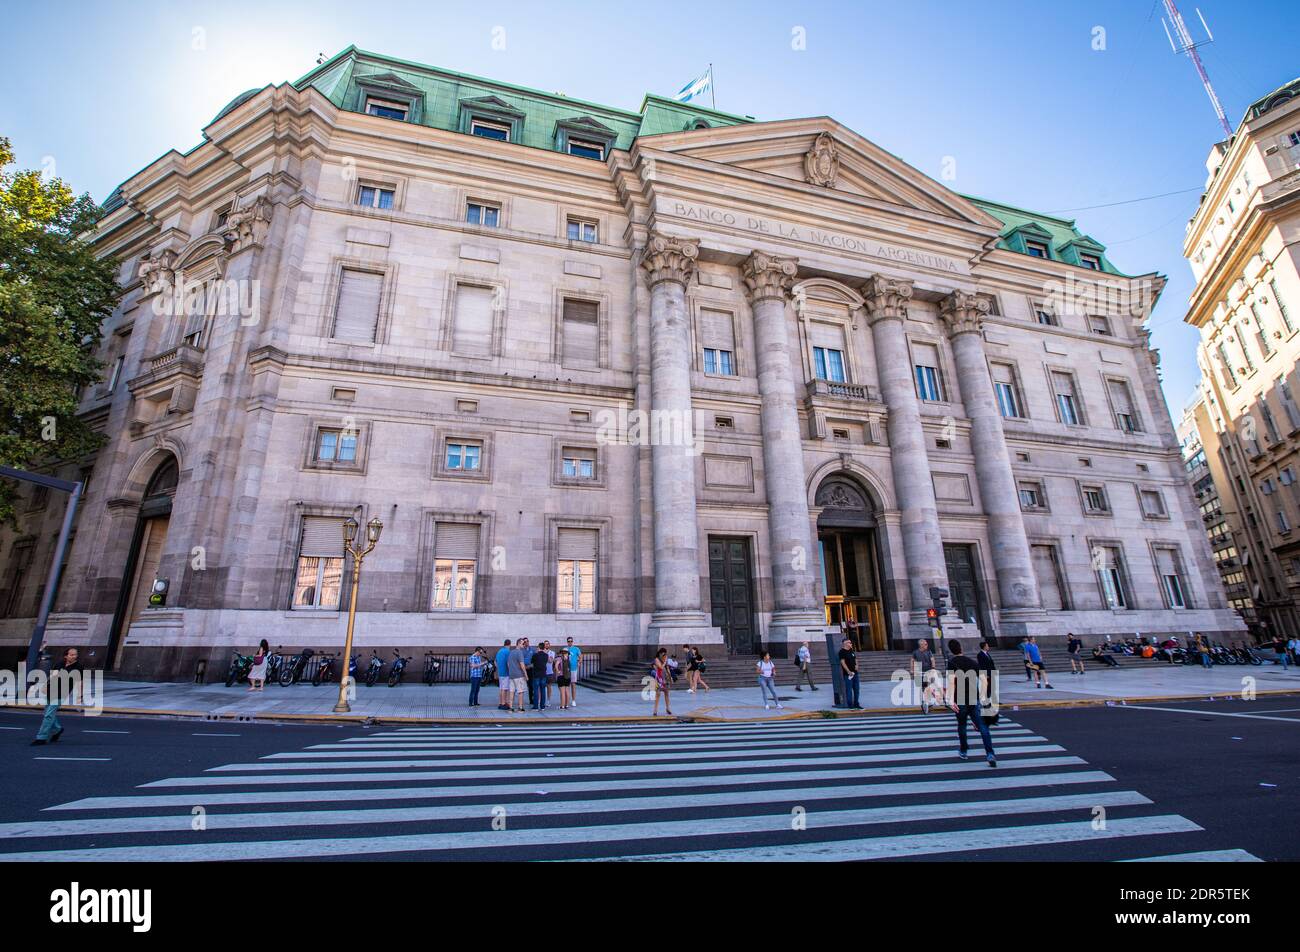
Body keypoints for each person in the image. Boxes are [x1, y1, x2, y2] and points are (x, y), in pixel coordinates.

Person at [946, 640, 996, 768]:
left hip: (960, 699)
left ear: (951, 650)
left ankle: (963, 751)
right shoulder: (971, 662)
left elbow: (951, 683)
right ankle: (990, 753)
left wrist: (950, 700)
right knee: (983, 727)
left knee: (962, 725)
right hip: (974, 698)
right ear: (961, 648)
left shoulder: (951, 663)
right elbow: (984, 679)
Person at [32, 647, 81, 746]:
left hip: (62, 692)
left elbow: (80, 682)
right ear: (66, 655)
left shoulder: (78, 666)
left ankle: (41, 737)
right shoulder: (59, 664)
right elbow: (51, 676)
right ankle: (58, 729)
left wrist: (79, 696)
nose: (74, 656)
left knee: (49, 715)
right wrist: (44, 686)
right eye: (71, 654)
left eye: (75, 654)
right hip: (51, 690)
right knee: (47, 712)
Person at [911, 638, 939, 712]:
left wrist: (933, 668)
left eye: (927, 644)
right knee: (923, 686)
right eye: (925, 644)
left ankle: (931, 698)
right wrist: (912, 670)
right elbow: (912, 661)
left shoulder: (929, 651)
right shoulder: (915, 652)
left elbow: (932, 660)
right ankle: (927, 701)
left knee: (930, 685)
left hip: (929, 670)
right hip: (919, 670)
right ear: (921, 645)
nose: (927, 645)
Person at [506, 640, 529, 713]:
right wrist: (526, 675)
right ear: (518, 644)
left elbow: (508, 664)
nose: (524, 645)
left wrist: (511, 671)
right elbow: (522, 665)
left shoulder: (511, 652)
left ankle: (510, 708)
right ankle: (520, 708)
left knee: (512, 691)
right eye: (523, 643)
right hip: (519, 675)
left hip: (511, 675)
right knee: (520, 692)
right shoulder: (519, 652)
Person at [838, 637, 861, 709]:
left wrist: (857, 665)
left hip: (855, 673)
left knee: (856, 689)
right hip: (848, 674)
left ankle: (856, 703)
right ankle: (850, 705)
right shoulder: (842, 652)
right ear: (845, 643)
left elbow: (855, 659)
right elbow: (842, 662)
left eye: (850, 643)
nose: (851, 644)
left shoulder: (851, 650)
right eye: (849, 642)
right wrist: (848, 671)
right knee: (849, 689)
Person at [652, 647, 673, 716]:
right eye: (663, 654)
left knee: (666, 694)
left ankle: (668, 708)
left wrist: (670, 678)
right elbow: (660, 667)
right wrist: (664, 662)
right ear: (660, 653)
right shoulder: (657, 659)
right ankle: (655, 710)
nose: (664, 655)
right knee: (658, 694)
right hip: (659, 678)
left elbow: (668, 669)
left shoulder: (665, 660)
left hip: (665, 678)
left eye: (665, 654)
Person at [530, 640, 550, 711]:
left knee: (536, 691)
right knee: (543, 690)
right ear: (544, 647)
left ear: (538, 647)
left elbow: (531, 662)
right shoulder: (546, 655)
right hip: (543, 674)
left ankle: (535, 706)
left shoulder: (535, 655)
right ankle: (542, 706)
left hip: (536, 675)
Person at [495, 640, 513, 711]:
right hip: (506, 673)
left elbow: (495, 661)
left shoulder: (499, 651)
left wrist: (499, 668)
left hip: (500, 672)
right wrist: (511, 671)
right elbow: (508, 663)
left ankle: (500, 702)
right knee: (505, 689)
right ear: (509, 644)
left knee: (501, 688)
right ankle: (503, 703)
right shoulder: (508, 652)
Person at [565, 637, 581, 706]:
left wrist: (579, 662)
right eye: (569, 641)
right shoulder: (565, 649)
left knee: (573, 684)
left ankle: (573, 700)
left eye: (571, 641)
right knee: (567, 685)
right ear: (567, 642)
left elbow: (580, 657)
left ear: (572, 641)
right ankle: (567, 700)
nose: (570, 642)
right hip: (566, 669)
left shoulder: (576, 649)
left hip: (574, 669)